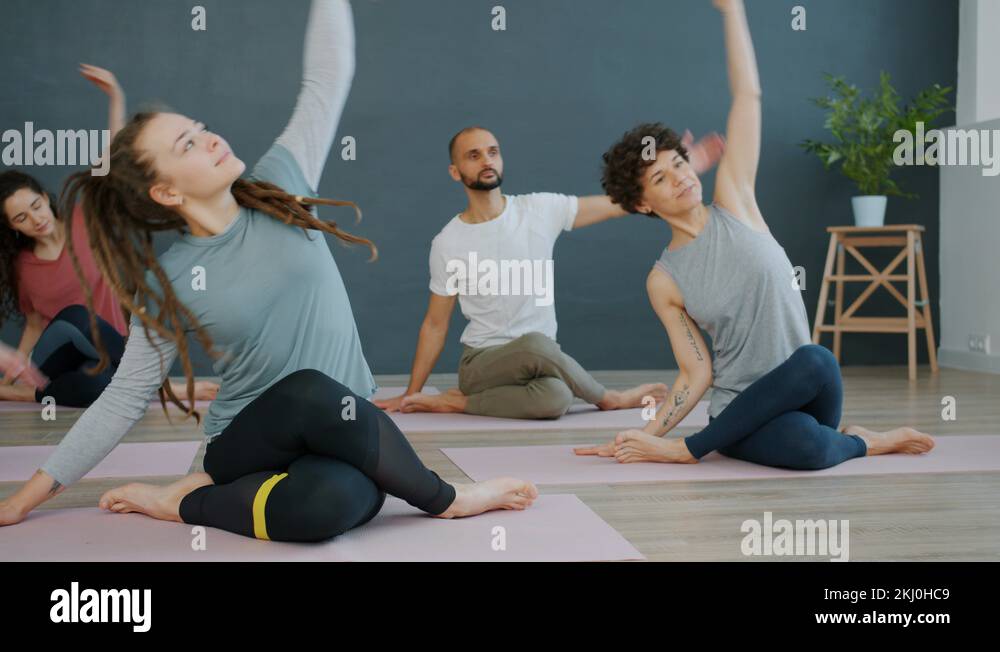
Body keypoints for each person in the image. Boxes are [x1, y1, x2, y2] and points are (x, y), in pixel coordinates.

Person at [0, 0, 537, 542]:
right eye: (187, 143)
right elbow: (123, 397)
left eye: (200, 128)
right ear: (165, 191)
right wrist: (24, 499)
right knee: (309, 391)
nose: (209, 138)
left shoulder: (281, 184)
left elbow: (328, 78)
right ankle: (449, 500)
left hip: (343, 428)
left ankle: (185, 502)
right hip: (245, 444)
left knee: (333, 504)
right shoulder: (171, 280)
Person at [578, 0, 934, 468]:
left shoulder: (735, 200)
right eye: (661, 178)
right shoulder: (664, 280)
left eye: (679, 164)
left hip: (809, 388)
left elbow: (748, 96)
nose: (681, 177)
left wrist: (732, 12)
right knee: (809, 448)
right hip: (739, 412)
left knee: (817, 359)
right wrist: (640, 438)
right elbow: (695, 371)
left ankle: (690, 450)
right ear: (643, 204)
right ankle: (864, 442)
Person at [375, 126, 724, 419]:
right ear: (455, 171)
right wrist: (411, 393)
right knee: (537, 344)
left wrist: (682, 172)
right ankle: (610, 399)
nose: (486, 160)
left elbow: (620, 205)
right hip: (482, 364)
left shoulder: (539, 209)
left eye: (493, 152)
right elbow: (435, 324)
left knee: (556, 400)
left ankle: (458, 403)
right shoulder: (448, 242)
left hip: (542, 362)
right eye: (474, 155)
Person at [0, 65, 217, 407]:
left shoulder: (82, 219)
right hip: (59, 354)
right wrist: (16, 365)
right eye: (21, 218)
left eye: (36, 206)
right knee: (74, 316)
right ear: (14, 226)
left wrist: (116, 97)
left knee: (101, 390)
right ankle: (167, 390)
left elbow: (108, 167)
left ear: (45, 197)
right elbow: (33, 323)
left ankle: (28, 394)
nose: (35, 219)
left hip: (105, 352)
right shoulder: (24, 266)